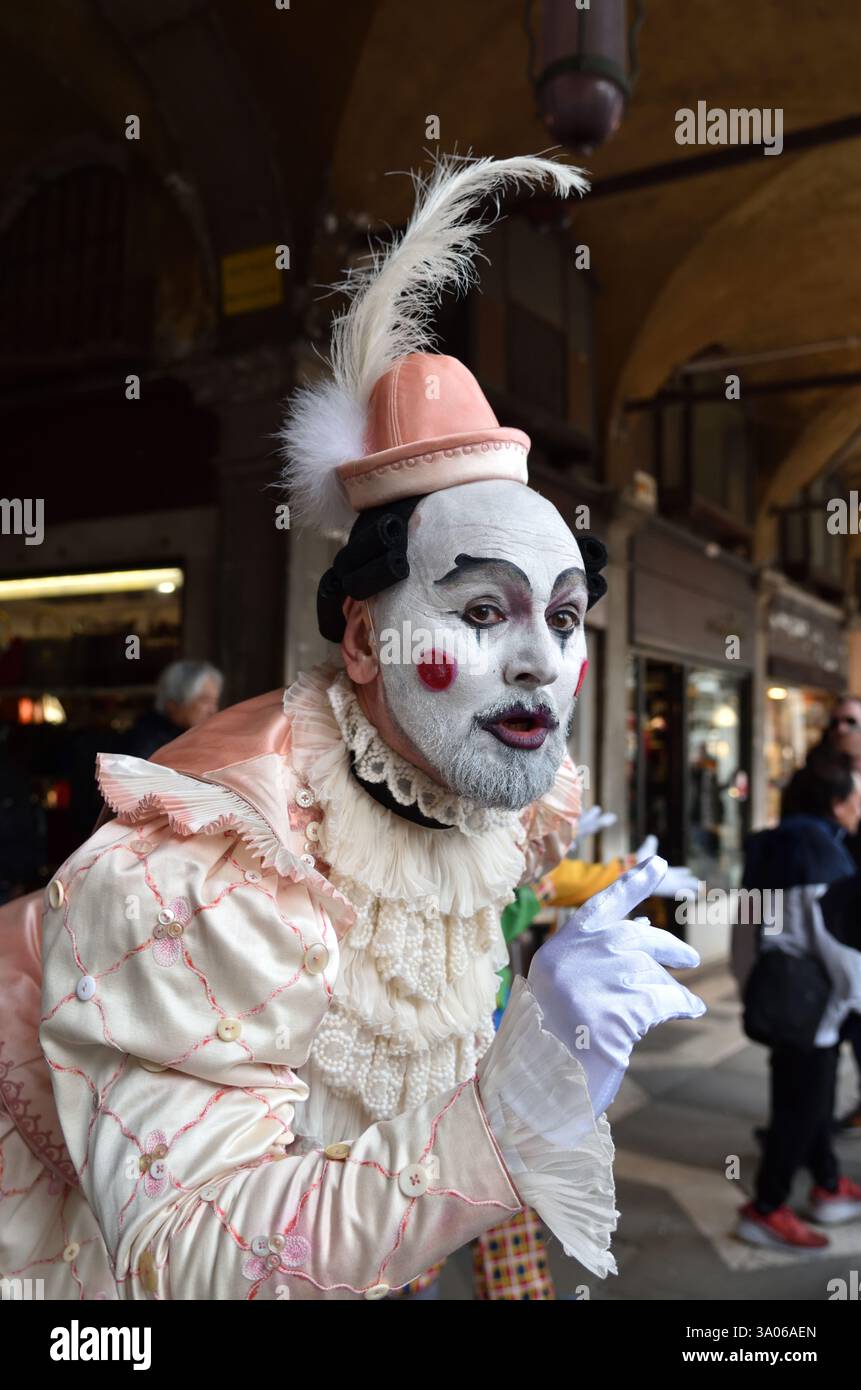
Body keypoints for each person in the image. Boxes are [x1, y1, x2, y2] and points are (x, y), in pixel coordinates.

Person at [0, 154, 705, 1300]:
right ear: (367, 641)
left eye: (567, 616)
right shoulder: (204, 877)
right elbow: (190, 1254)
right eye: (483, 610)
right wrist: (512, 1107)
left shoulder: (495, 815)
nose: (542, 657)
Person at [736, 750, 861, 1250]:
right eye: (857, 801)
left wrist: (747, 981)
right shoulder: (821, 849)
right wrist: (860, 998)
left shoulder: (774, 842)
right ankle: (766, 1207)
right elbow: (836, 939)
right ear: (836, 804)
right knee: (801, 1106)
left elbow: (748, 926)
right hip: (814, 1003)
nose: (860, 812)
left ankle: (828, 1184)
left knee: (806, 1097)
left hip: (781, 994)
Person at [821, 695, 861, 1132]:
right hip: (834, 920)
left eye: (851, 721)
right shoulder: (823, 775)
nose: (841, 728)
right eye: (835, 721)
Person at [122, 659, 223, 761]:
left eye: (214, 702)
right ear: (173, 703)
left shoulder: (201, 738)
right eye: (204, 700)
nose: (213, 710)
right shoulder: (147, 743)